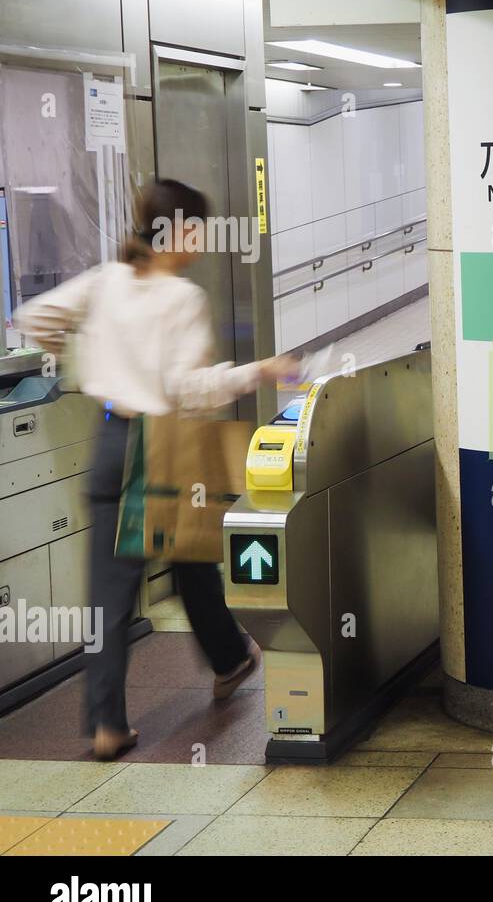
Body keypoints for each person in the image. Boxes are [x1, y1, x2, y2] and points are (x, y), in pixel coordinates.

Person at [14, 179, 299, 760]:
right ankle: (230, 659)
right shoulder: (181, 298)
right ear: (181, 231)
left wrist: (86, 355)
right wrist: (259, 371)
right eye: (199, 228)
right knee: (191, 549)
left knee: (118, 589)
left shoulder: (107, 280)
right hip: (164, 446)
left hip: (111, 440)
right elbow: (190, 390)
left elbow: (33, 317)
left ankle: (107, 723)